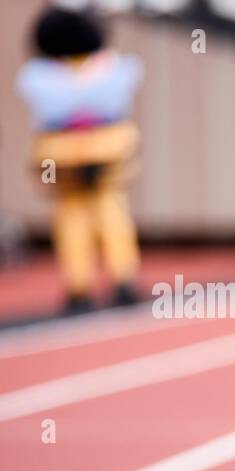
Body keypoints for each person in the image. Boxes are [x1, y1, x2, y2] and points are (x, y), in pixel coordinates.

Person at [16, 5, 144, 314]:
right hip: (107, 149)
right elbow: (129, 78)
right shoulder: (110, 67)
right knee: (111, 211)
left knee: (71, 217)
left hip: (59, 155)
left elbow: (36, 97)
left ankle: (79, 286)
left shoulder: (40, 74)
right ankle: (123, 278)